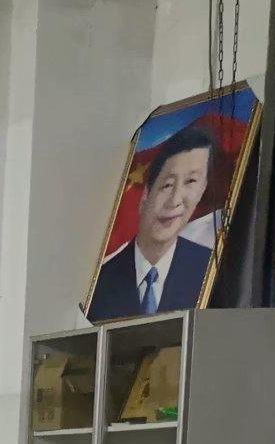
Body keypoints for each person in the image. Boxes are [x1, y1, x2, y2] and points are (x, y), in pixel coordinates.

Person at [88, 126, 217, 321]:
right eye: (167, 185)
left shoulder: (210, 271)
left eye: (191, 181)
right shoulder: (101, 283)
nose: (175, 201)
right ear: (145, 196)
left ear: (202, 190)